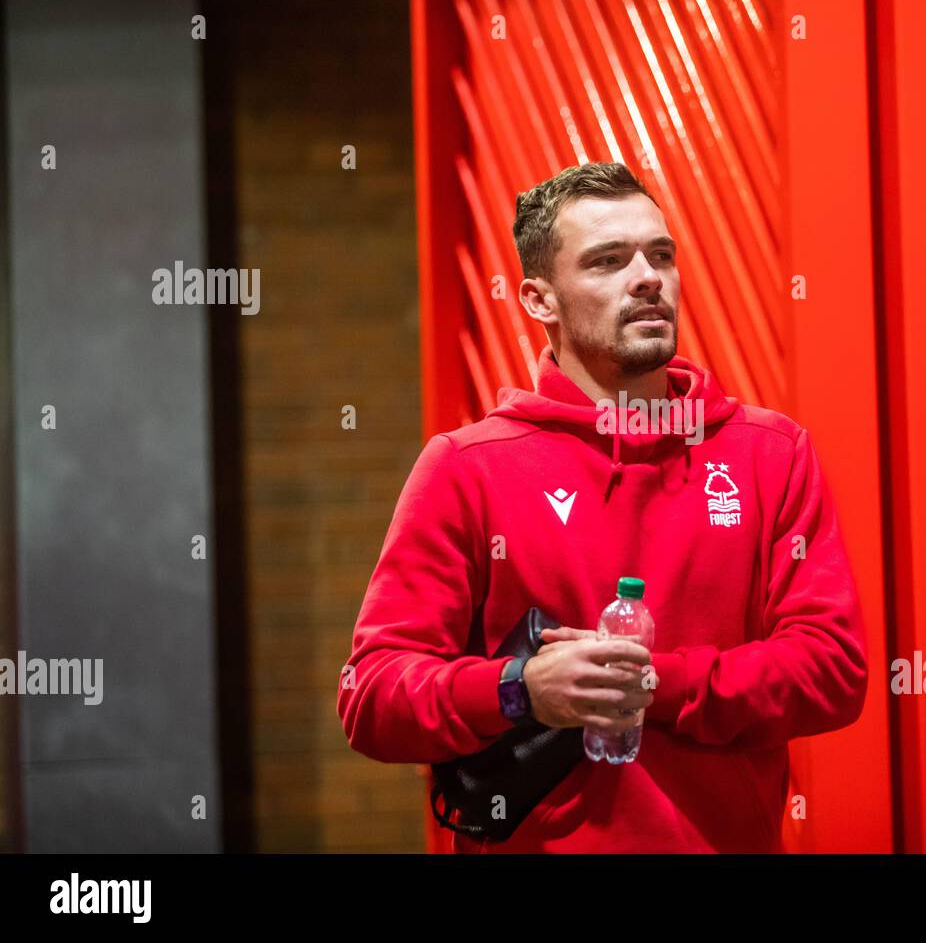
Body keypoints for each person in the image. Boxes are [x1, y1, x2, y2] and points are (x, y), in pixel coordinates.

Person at [337, 161, 868, 852]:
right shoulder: (467, 469)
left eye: (661, 255)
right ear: (539, 300)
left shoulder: (769, 452)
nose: (648, 277)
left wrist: (660, 681)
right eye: (608, 261)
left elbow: (832, 670)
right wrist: (518, 689)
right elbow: (371, 696)